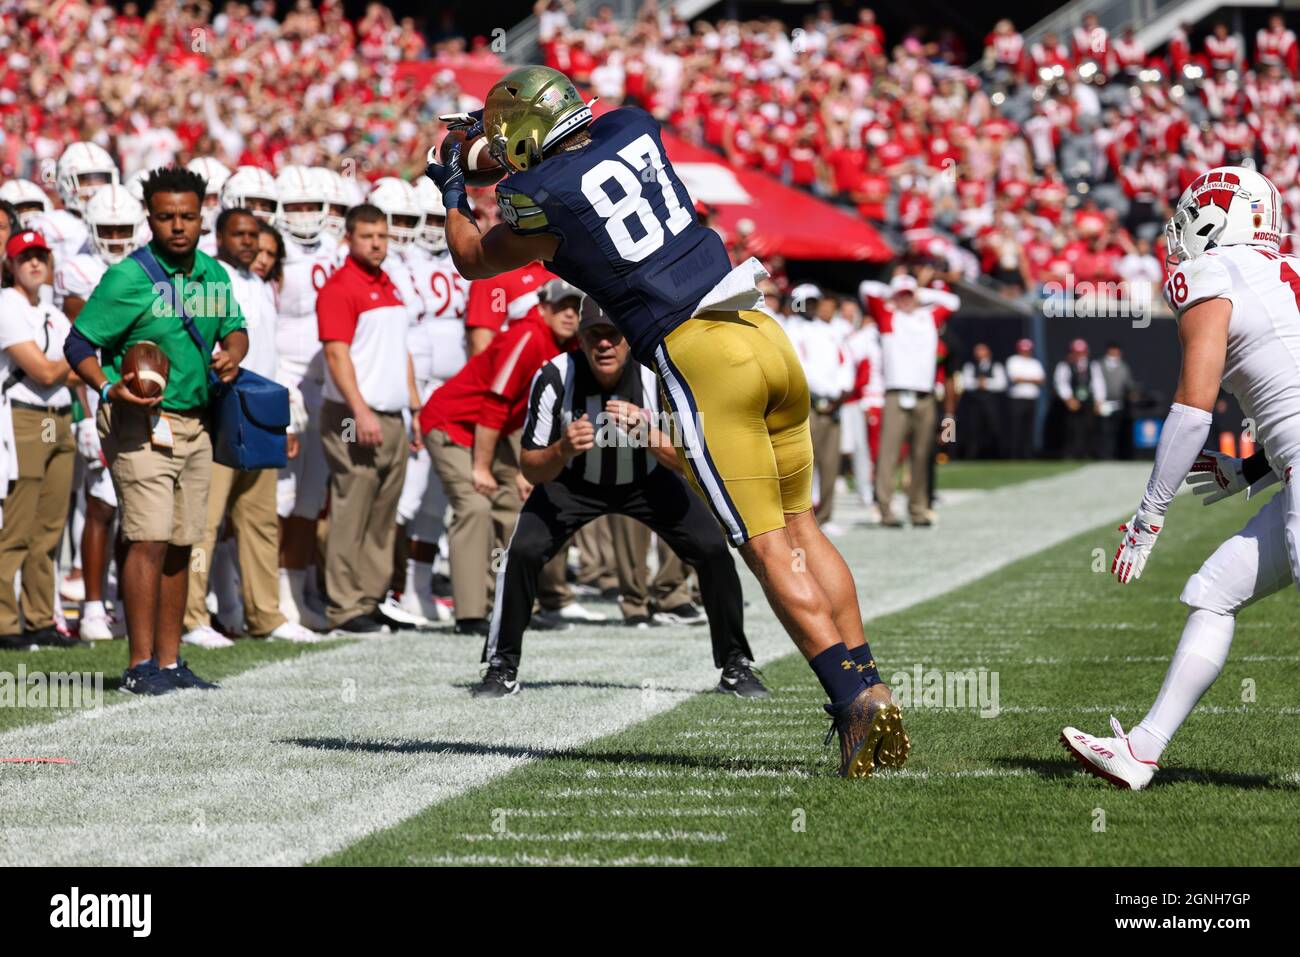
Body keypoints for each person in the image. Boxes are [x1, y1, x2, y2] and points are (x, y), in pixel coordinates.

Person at [426, 65, 908, 778]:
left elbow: (473, 256)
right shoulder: (631, 124)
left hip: (701, 352)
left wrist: (453, 182)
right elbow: (559, 152)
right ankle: (872, 679)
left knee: (767, 546)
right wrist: (493, 144)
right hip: (761, 328)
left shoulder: (536, 197)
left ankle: (851, 701)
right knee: (803, 527)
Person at [1063, 166, 1299, 789]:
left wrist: (1148, 516)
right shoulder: (1283, 279)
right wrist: (1251, 467)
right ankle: (1141, 749)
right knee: (1215, 588)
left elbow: (1193, 411)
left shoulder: (1212, 273)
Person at [474, 296, 768, 698]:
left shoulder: (657, 376)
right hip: (573, 483)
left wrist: (650, 437)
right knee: (521, 552)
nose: (604, 345)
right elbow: (530, 466)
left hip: (648, 480)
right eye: (594, 335)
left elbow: (690, 460)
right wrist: (561, 450)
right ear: (579, 338)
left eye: (612, 335)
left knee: (712, 549)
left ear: (629, 339)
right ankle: (500, 665)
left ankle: (736, 665)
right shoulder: (555, 375)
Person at [63, 165, 249, 694]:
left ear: (202, 215)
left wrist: (232, 356)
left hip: (196, 422)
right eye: (166, 217)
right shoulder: (128, 277)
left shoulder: (214, 275)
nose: (178, 227)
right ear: (150, 218)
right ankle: (139, 664)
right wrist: (105, 389)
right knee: (146, 537)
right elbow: (79, 345)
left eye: (187, 216)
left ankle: (170, 661)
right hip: (140, 422)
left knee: (181, 544)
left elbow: (236, 330)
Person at [418, 278, 597, 634]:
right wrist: (481, 467)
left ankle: (515, 606)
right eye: (560, 306)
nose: (568, 315)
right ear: (542, 307)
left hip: (494, 432)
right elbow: (495, 404)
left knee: (519, 507)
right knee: (474, 507)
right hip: (453, 424)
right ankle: (470, 615)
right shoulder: (528, 336)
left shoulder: (568, 344)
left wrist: (523, 467)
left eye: (574, 309)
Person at [183, 208, 320, 647]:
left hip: (259, 413)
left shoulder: (260, 283)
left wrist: (286, 421)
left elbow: (271, 356)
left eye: (253, 236)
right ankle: (192, 617)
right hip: (219, 410)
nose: (248, 243)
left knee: (260, 520)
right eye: (238, 234)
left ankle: (266, 614)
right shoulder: (208, 278)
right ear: (219, 237)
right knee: (205, 521)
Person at [316, 203, 422, 634]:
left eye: (382, 235)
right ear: (348, 239)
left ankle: (369, 597)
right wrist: (359, 410)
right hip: (354, 413)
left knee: (383, 514)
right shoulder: (340, 287)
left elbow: (400, 350)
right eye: (367, 236)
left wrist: (413, 407)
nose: (377, 243)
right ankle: (343, 606)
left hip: (392, 414)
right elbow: (336, 353)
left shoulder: (389, 283)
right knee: (351, 508)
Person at [0, 230, 82, 649]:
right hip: (26, 418)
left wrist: (70, 367)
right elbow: (46, 372)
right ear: (10, 265)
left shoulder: (52, 311)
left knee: (49, 527)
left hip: (59, 417)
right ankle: (4, 621)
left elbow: (79, 366)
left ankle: (38, 617)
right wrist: (72, 366)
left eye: (40, 256)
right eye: (24, 257)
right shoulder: (6, 304)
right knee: (17, 524)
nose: (34, 264)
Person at [860, 274, 959, 527]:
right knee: (889, 454)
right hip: (896, 393)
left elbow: (953, 302)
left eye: (908, 295)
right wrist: (894, 293)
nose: (905, 300)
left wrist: (920, 293)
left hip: (924, 395)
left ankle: (918, 509)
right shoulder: (888, 317)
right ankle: (885, 509)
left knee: (921, 454)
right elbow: (867, 287)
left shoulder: (927, 317)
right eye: (901, 295)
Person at [1053, 338, 1104, 459]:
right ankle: (1070, 453)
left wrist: (1098, 400)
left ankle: (1086, 453)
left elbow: (1098, 383)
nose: (1079, 355)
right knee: (1071, 428)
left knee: (1088, 427)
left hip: (1087, 401)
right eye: (1076, 352)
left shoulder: (1093, 365)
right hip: (1071, 401)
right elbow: (1061, 382)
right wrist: (1069, 398)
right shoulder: (1065, 365)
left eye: (1082, 352)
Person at [959, 342, 1007, 459]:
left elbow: (1001, 384)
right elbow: (965, 383)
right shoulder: (969, 366)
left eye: (982, 350)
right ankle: (971, 457)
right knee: (973, 430)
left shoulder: (996, 366)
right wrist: (977, 383)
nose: (979, 353)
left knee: (994, 429)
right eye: (977, 350)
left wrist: (985, 383)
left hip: (991, 403)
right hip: (974, 404)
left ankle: (996, 456)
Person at [1004, 338, 1044, 459]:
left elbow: (1041, 380)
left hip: (1031, 399)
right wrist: (1031, 380)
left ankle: (1028, 455)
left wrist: (1024, 379)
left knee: (1029, 429)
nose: (1025, 352)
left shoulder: (1035, 363)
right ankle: (1015, 455)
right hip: (1017, 399)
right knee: (1016, 428)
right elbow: (1014, 378)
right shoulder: (1013, 361)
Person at [1096, 342, 1136, 460]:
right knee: (1104, 430)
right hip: (1104, 402)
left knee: (1117, 430)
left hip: (1118, 403)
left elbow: (1128, 383)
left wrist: (1131, 392)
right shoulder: (1099, 365)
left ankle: (1116, 455)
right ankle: (1104, 455)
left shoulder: (1123, 366)